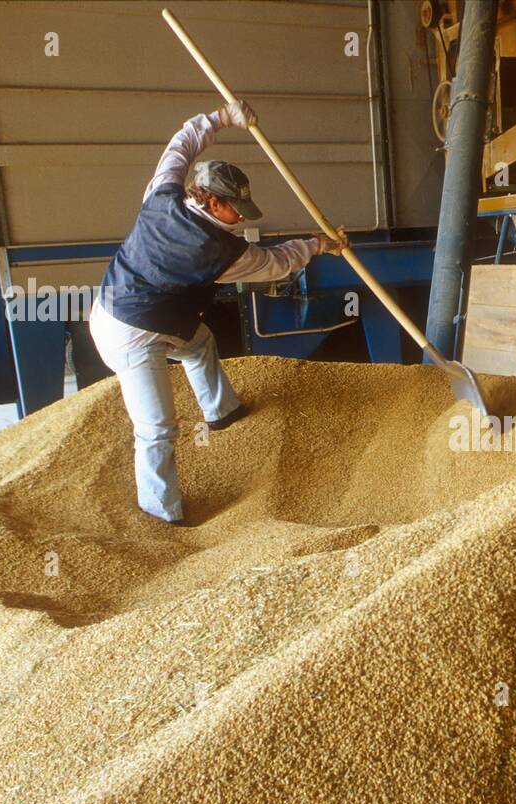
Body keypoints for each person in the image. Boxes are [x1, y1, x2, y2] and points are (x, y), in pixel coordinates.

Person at [89, 100, 347, 524]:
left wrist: (221, 118)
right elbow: (275, 263)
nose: (239, 217)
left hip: (121, 308)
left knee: (200, 343)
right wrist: (317, 245)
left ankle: (221, 411)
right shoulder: (217, 250)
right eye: (233, 209)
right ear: (209, 201)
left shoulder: (161, 192)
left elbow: (182, 144)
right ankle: (161, 512)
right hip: (130, 335)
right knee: (156, 427)